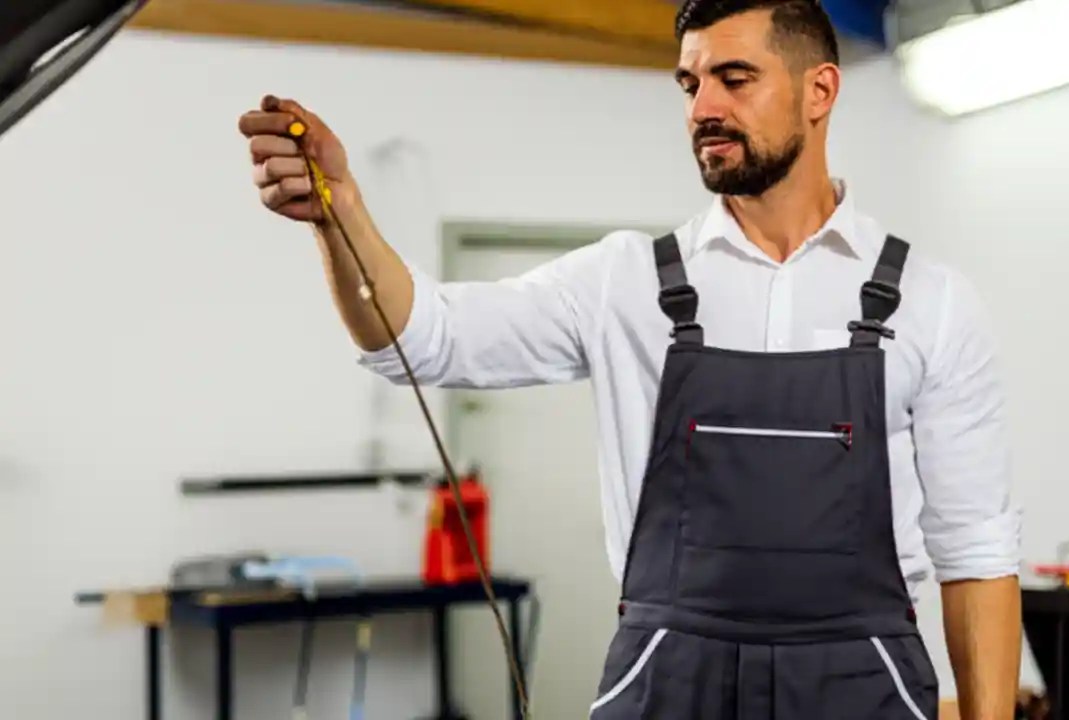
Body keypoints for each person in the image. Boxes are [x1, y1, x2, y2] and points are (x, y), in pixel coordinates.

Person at [238, 0, 1022, 717]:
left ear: (820, 91)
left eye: (734, 78)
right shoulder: (625, 282)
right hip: (668, 682)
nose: (703, 108)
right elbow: (422, 336)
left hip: (861, 686)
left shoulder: (927, 301)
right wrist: (340, 215)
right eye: (689, 84)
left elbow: (976, 551)